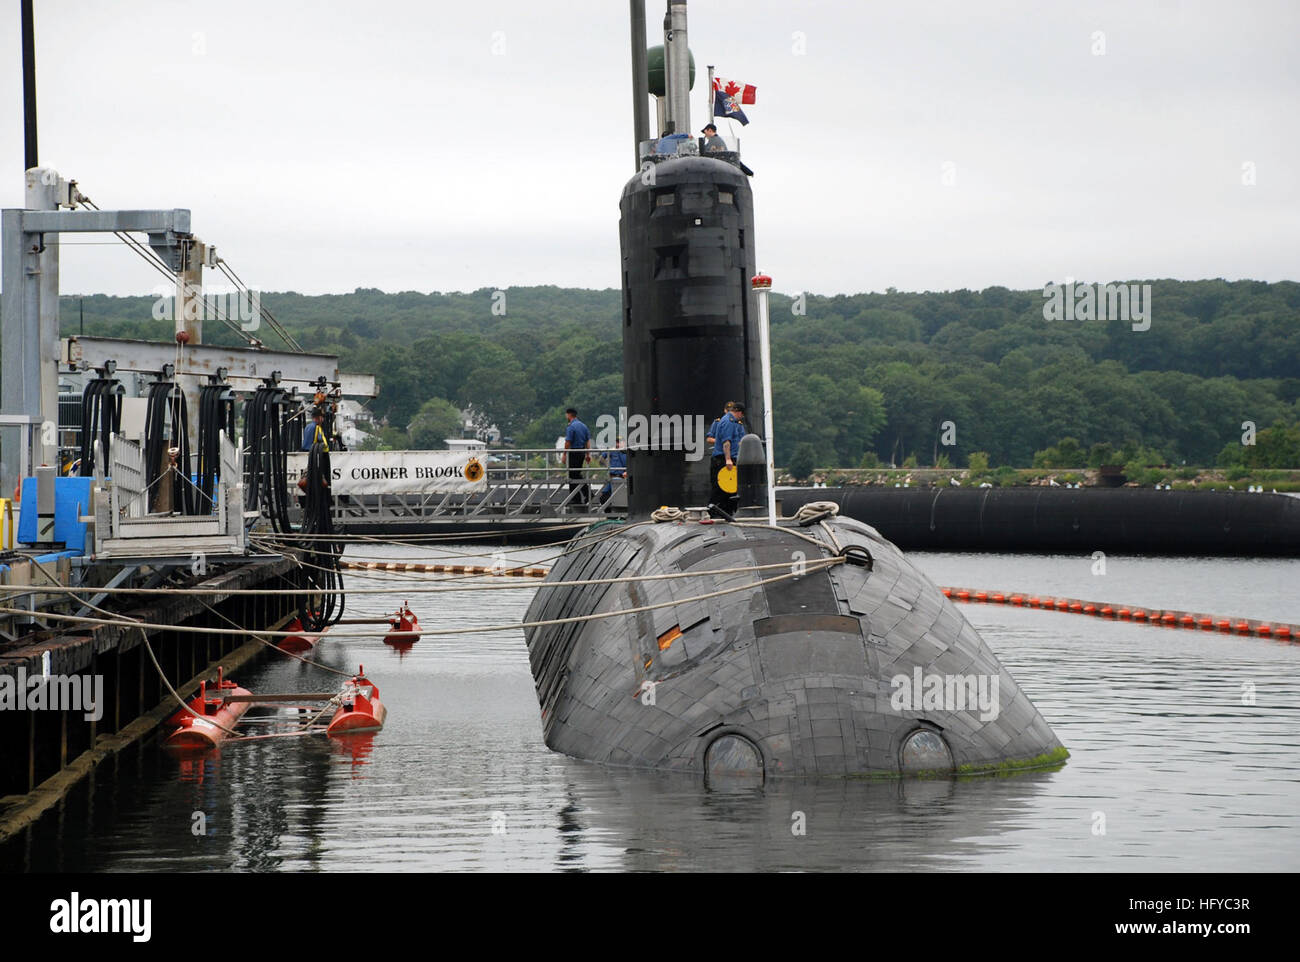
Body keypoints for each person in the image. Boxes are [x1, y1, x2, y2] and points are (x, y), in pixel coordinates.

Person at [710, 402, 745, 512]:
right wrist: (728, 459)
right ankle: (715, 513)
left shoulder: (732, 422)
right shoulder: (728, 422)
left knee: (730, 490)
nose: (742, 417)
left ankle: (727, 512)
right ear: (739, 412)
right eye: (742, 415)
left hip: (728, 459)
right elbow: (726, 442)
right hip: (723, 460)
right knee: (721, 490)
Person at [563, 407, 591, 509]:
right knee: (576, 474)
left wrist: (564, 454)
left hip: (574, 452)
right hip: (582, 452)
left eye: (566, 415)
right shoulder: (584, 426)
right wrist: (588, 454)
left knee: (572, 474)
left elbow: (568, 442)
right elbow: (588, 441)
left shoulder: (571, 426)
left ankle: (581, 497)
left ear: (569, 415)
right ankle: (579, 497)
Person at [598, 438, 627, 508]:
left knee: (619, 496)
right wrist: (608, 467)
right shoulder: (612, 450)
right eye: (617, 442)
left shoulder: (627, 452)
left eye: (620, 442)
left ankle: (616, 511)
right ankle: (609, 512)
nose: (618, 444)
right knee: (604, 495)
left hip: (623, 477)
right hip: (613, 477)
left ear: (624, 443)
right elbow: (601, 459)